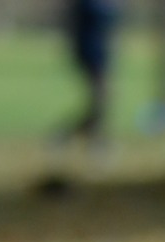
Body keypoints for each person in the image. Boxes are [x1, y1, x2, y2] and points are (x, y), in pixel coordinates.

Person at [59, 0, 120, 146]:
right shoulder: (89, 5)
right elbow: (106, 17)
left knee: (102, 100)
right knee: (101, 99)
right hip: (90, 55)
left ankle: (82, 137)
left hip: (99, 56)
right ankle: (87, 139)